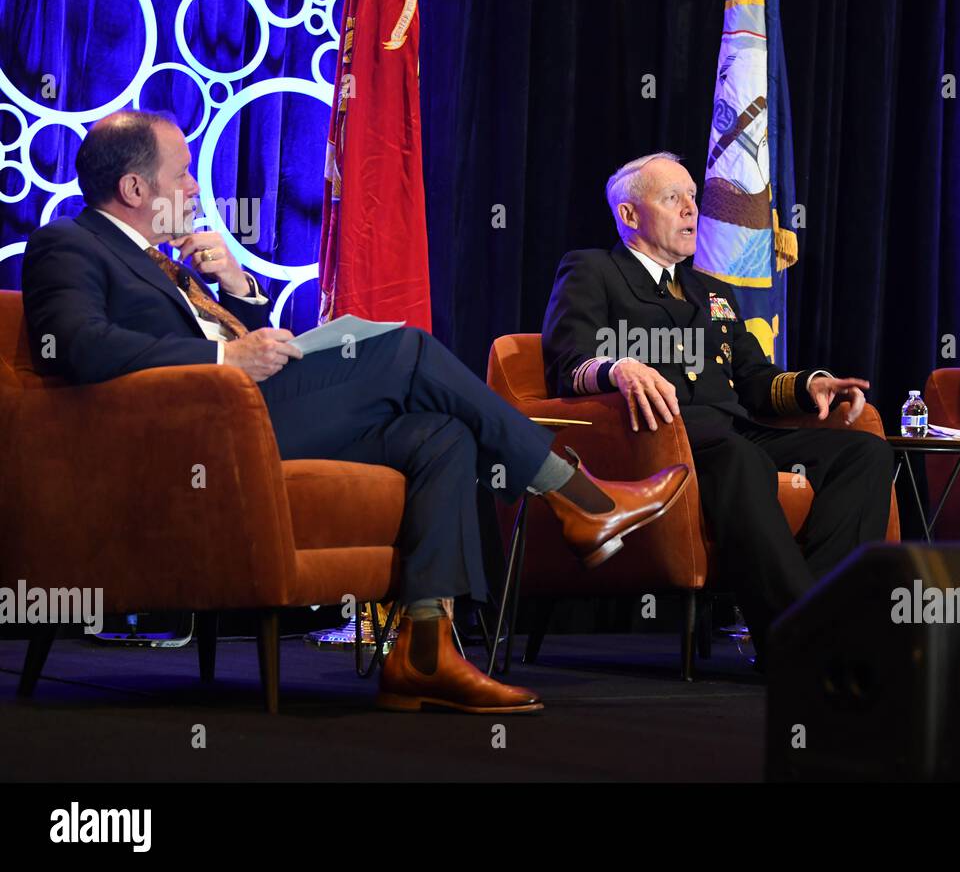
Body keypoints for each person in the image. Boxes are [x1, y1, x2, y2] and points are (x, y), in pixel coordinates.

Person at [20, 110, 692, 713]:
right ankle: (579, 498)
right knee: (407, 349)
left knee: (441, 434)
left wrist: (235, 286)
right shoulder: (68, 245)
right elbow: (78, 347)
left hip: (248, 416)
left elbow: (245, 339)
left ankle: (423, 654)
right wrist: (227, 364)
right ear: (135, 190)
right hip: (194, 439)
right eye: (183, 174)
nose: (195, 188)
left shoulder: (172, 265)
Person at [541, 152, 895, 657]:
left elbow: (752, 377)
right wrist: (618, 366)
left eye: (692, 197)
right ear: (629, 215)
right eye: (673, 199)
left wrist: (809, 385)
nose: (692, 209)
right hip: (661, 439)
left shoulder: (711, 290)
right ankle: (797, 645)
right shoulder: (594, 270)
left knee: (865, 454)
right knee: (738, 456)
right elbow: (568, 360)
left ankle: (817, 616)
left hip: (733, 431)